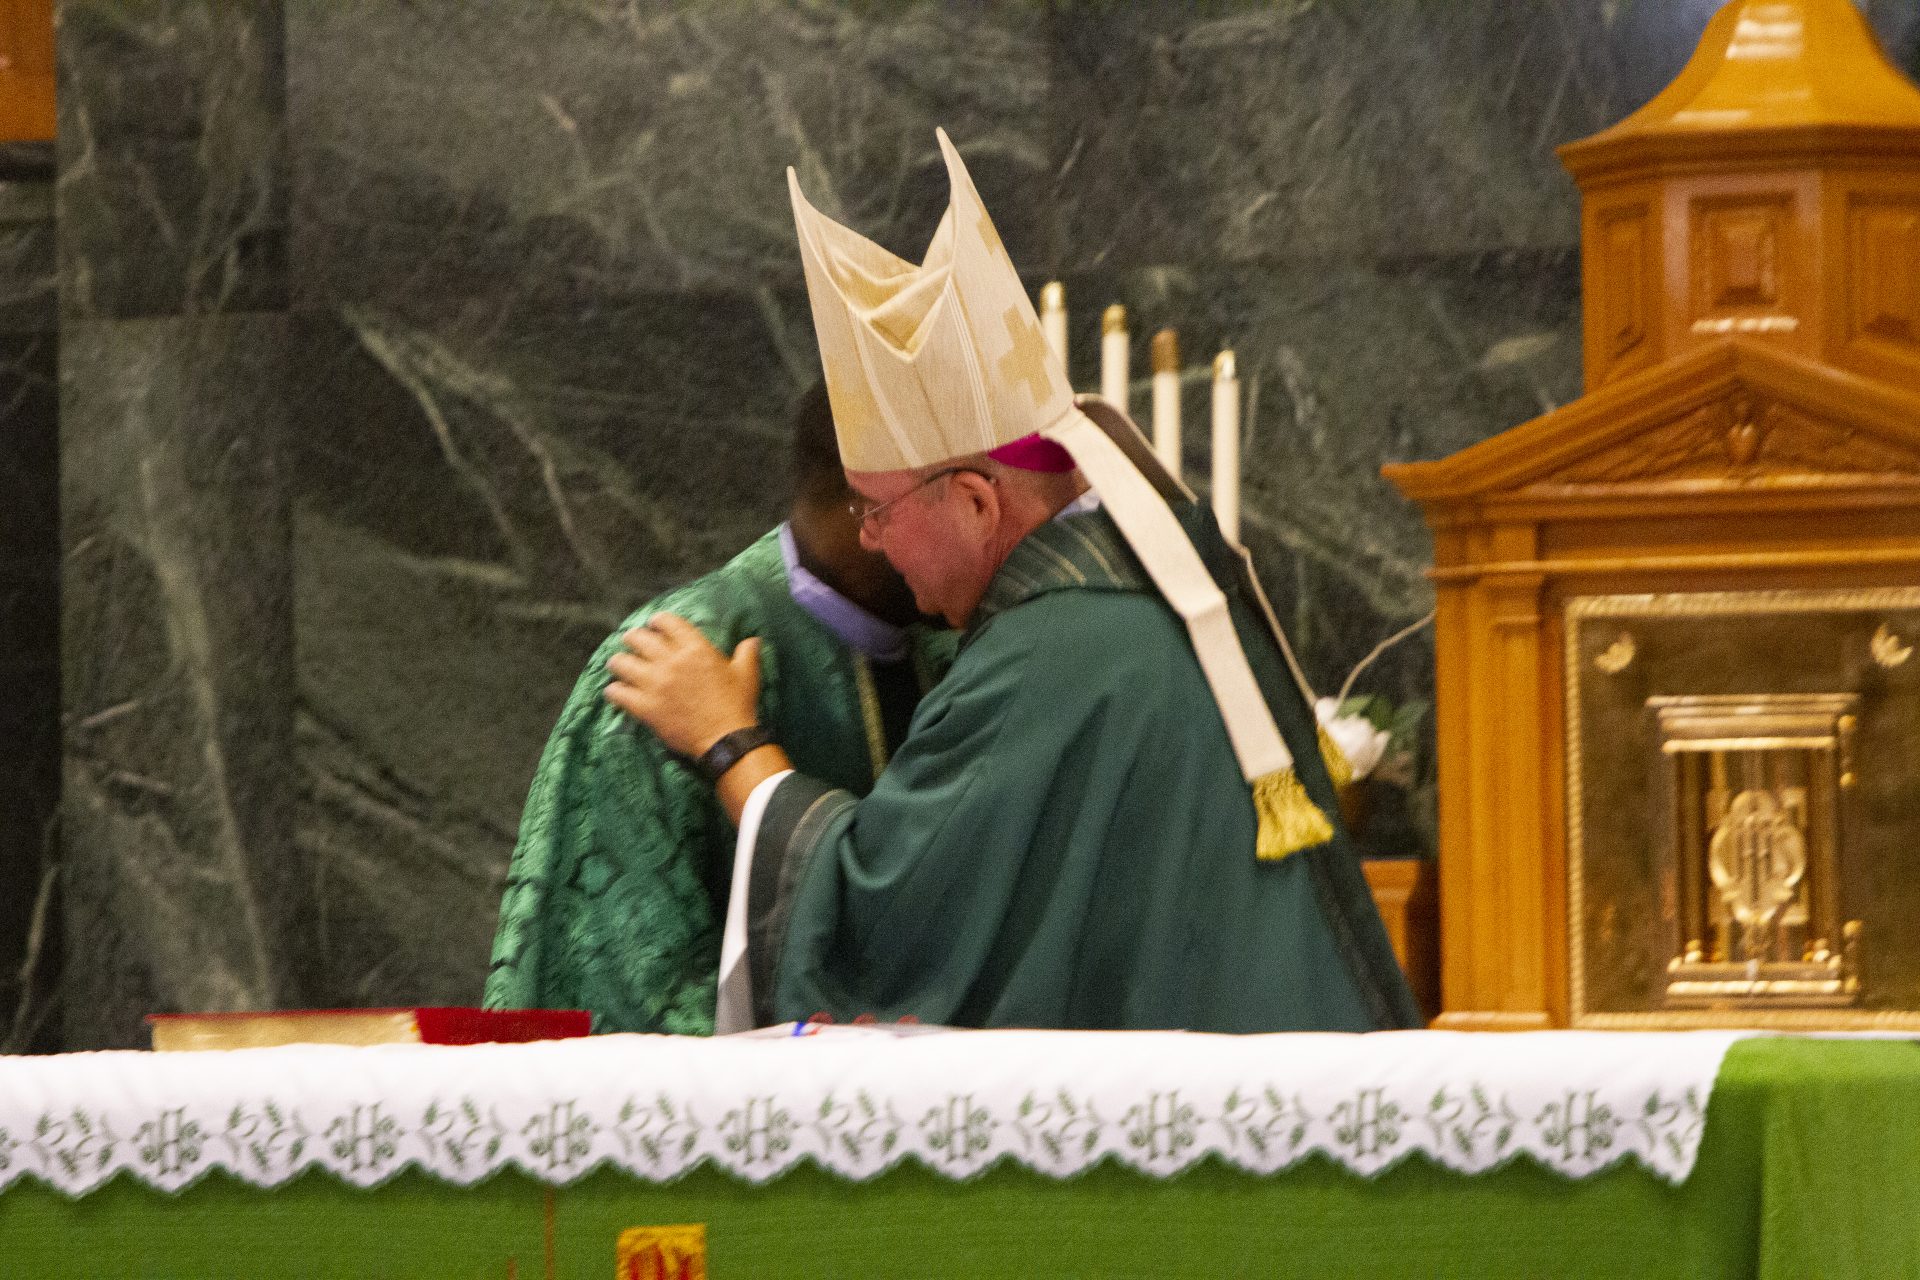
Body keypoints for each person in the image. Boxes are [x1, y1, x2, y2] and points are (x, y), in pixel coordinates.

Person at [610, 130, 1420, 1035]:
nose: (872, 544)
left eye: (878, 510)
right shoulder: (1152, 583)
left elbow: (882, 916)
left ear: (974, 501)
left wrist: (729, 743)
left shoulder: (1050, 659)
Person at [484, 383, 952, 1034]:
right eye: (954, 499)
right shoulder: (676, 660)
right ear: (866, 510)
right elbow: (627, 993)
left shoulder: (955, 647)